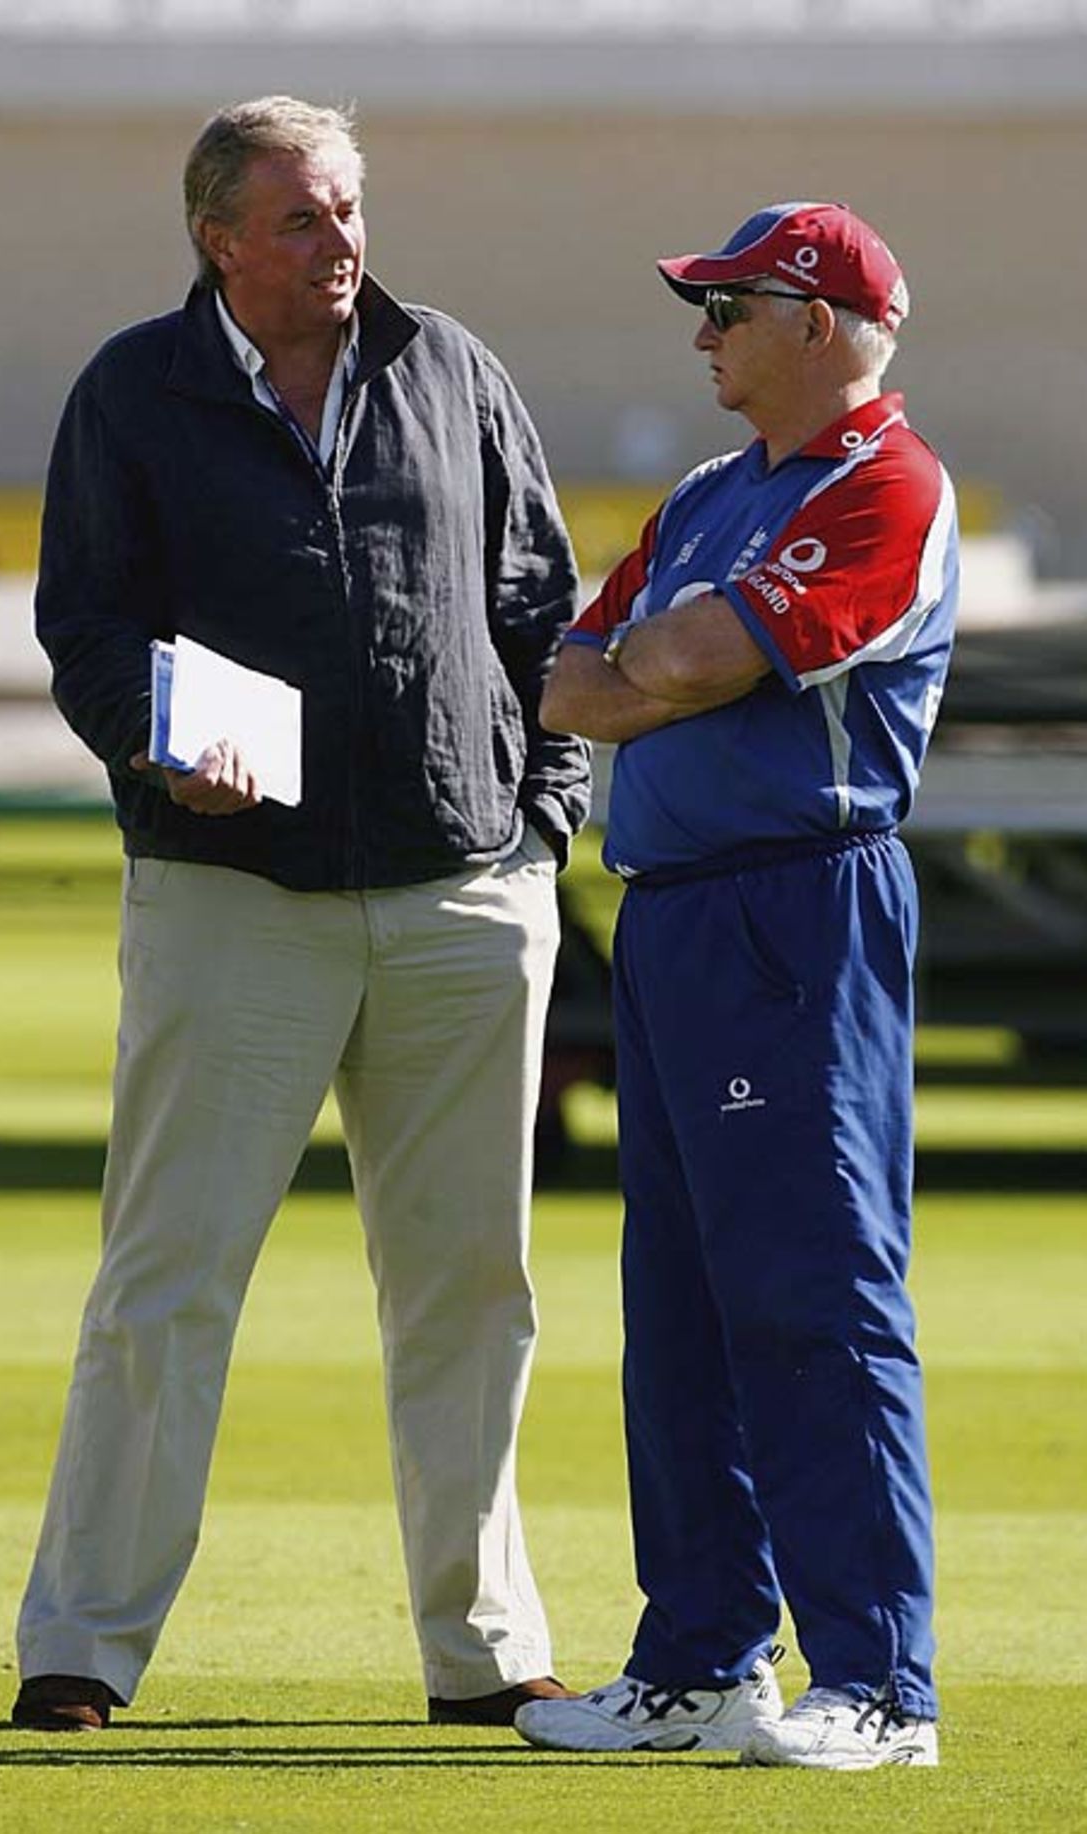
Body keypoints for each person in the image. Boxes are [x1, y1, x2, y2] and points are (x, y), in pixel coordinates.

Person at [10, 95, 589, 1733]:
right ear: (217, 242)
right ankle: (82, 1647)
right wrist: (150, 735)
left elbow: (542, 608)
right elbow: (86, 620)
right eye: (300, 220)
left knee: (474, 1291)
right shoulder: (134, 388)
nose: (339, 243)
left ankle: (482, 1651)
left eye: (346, 210)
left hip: (464, 894)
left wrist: (543, 821)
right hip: (228, 901)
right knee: (166, 1281)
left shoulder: (454, 368)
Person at [514, 201, 956, 1769]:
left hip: (797, 909)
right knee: (682, 1305)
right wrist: (662, 664)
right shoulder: (711, 491)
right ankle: (701, 1661)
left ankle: (880, 1682)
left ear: (820, 322)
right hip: (675, 918)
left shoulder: (890, 482)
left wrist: (667, 666)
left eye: (730, 306)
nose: (702, 335)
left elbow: (692, 662)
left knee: (814, 1292)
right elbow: (578, 675)